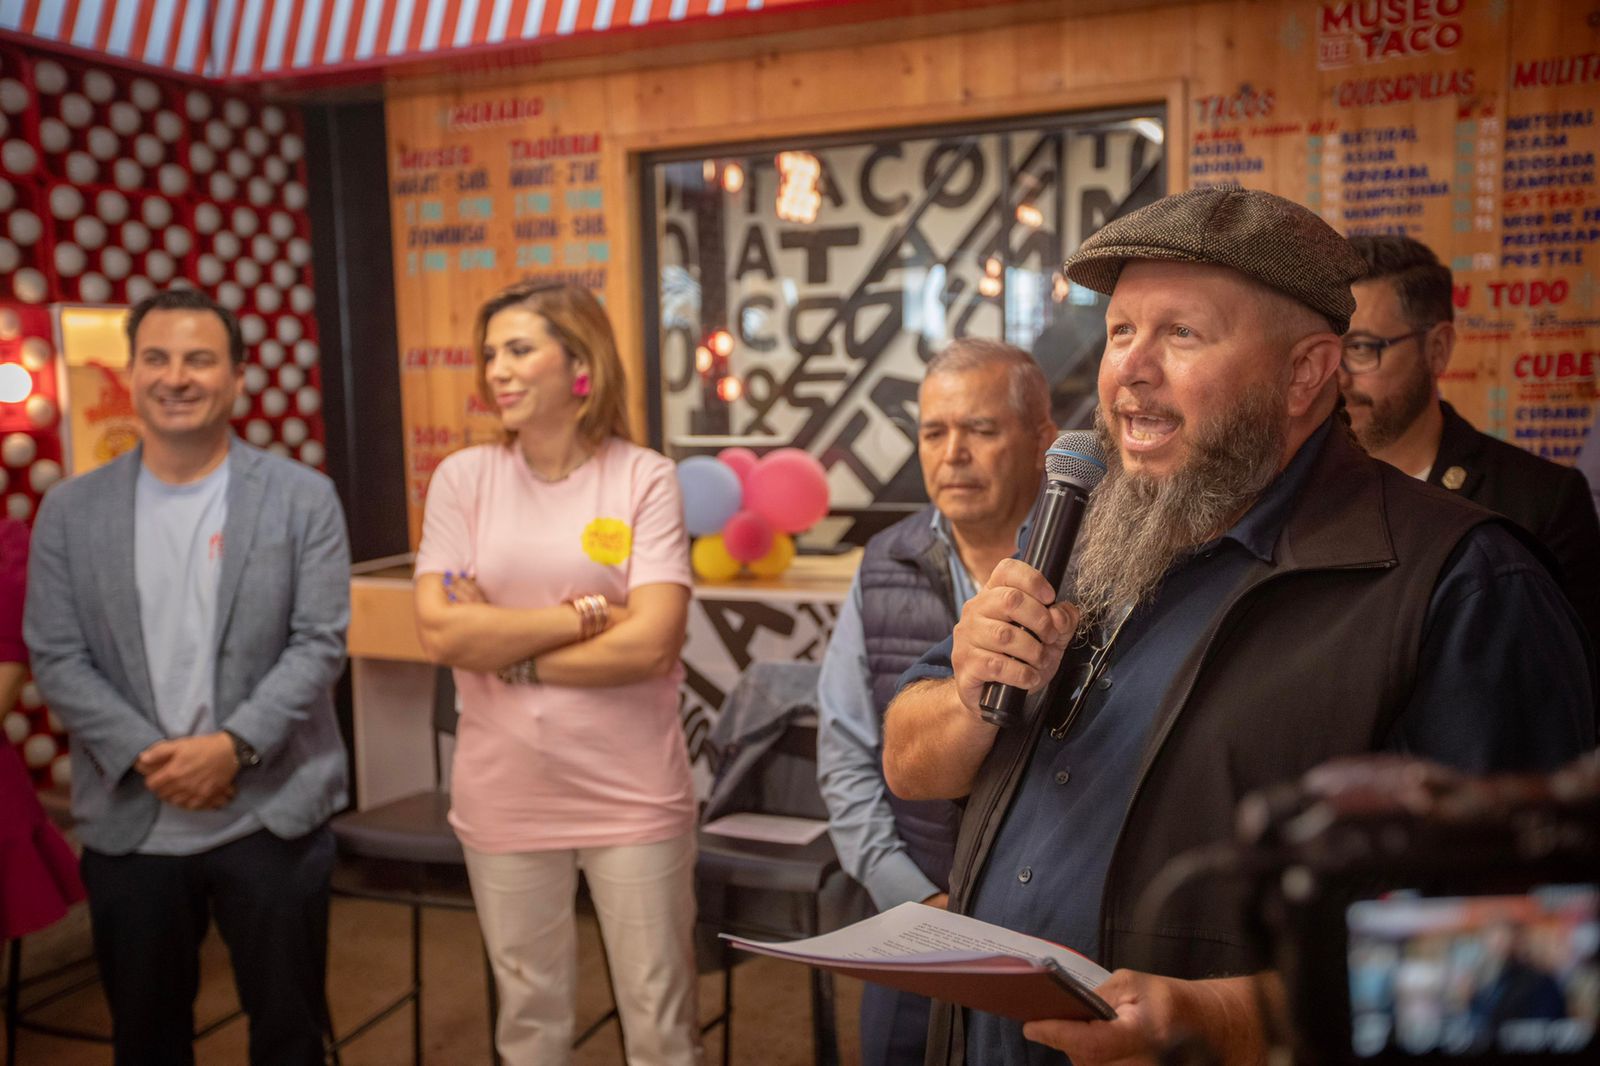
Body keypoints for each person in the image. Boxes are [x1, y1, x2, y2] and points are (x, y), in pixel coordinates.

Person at [881, 185, 1596, 1066]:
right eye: (1119, 332)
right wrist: (966, 697)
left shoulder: (1465, 586)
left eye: (1180, 334)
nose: (1129, 370)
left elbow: (1536, 962)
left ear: (1305, 373)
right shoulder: (1075, 522)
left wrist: (1225, 1019)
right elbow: (907, 765)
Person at [23, 289, 350, 1066]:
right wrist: (150, 756)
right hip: (133, 819)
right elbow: (57, 654)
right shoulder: (70, 511)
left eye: (200, 359)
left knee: (291, 1036)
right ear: (130, 374)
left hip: (273, 814)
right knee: (147, 1041)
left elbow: (319, 643)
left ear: (237, 377)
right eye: (157, 359)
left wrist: (230, 748)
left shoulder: (304, 499)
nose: (178, 377)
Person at [412, 280, 698, 1066]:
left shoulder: (643, 477)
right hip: (505, 789)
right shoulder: (462, 479)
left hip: (632, 789)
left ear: (580, 364)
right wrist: (579, 619)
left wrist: (508, 650)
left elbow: (652, 644)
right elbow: (440, 629)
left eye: (518, 349)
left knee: (660, 1023)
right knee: (530, 1022)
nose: (495, 369)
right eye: (489, 353)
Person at [817, 338, 1055, 1066]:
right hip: (916, 915)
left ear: (1042, 441)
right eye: (933, 431)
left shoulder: (1095, 564)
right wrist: (910, 899)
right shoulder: (883, 560)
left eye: (981, 429)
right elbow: (846, 751)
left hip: (1051, 926)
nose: (953, 454)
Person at [1340, 233, 1600, 671]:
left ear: (1437, 349)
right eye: (1325, 351)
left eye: (1362, 349)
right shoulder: (1292, 487)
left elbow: (1573, 697)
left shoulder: (1541, 503)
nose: (1338, 379)